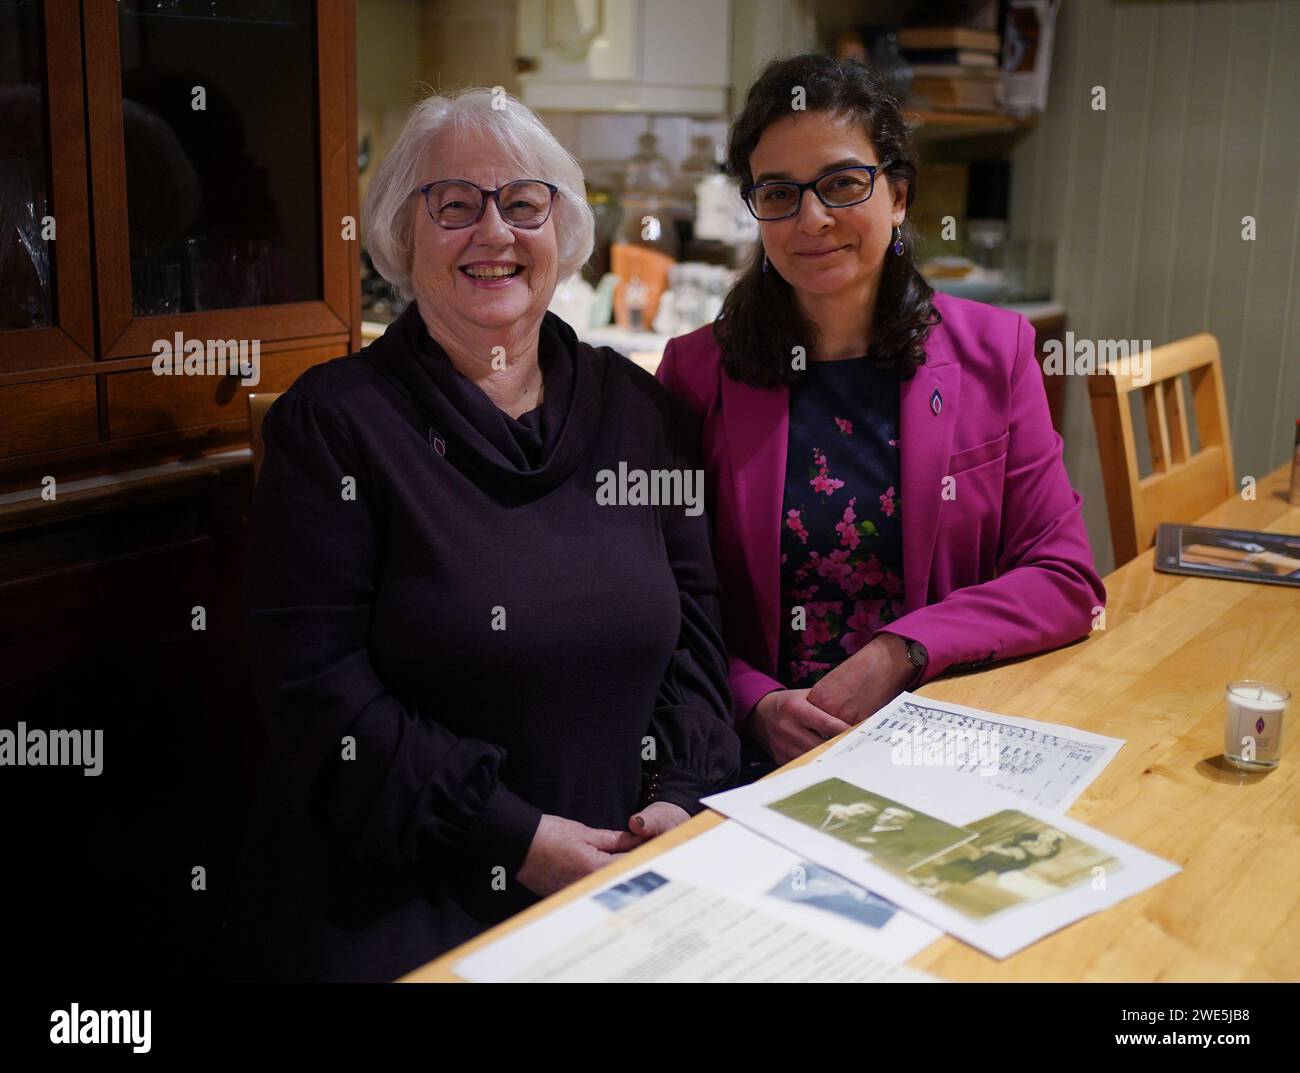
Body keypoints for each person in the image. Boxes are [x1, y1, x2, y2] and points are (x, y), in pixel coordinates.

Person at [225, 88, 739, 981]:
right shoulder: (333, 427)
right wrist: (515, 835)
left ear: (564, 229)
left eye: (523, 202)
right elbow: (319, 697)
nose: (494, 232)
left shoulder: (642, 412)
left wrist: (682, 793)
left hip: (631, 861)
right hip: (404, 881)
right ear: (400, 236)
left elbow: (697, 630)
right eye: (455, 205)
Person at [657, 55, 1106, 766]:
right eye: (779, 193)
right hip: (765, 758)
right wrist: (755, 703)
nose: (812, 218)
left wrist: (903, 651)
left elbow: (1066, 579)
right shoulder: (696, 371)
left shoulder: (997, 351)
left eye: (841, 183)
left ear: (897, 194)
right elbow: (668, 602)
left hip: (948, 734)